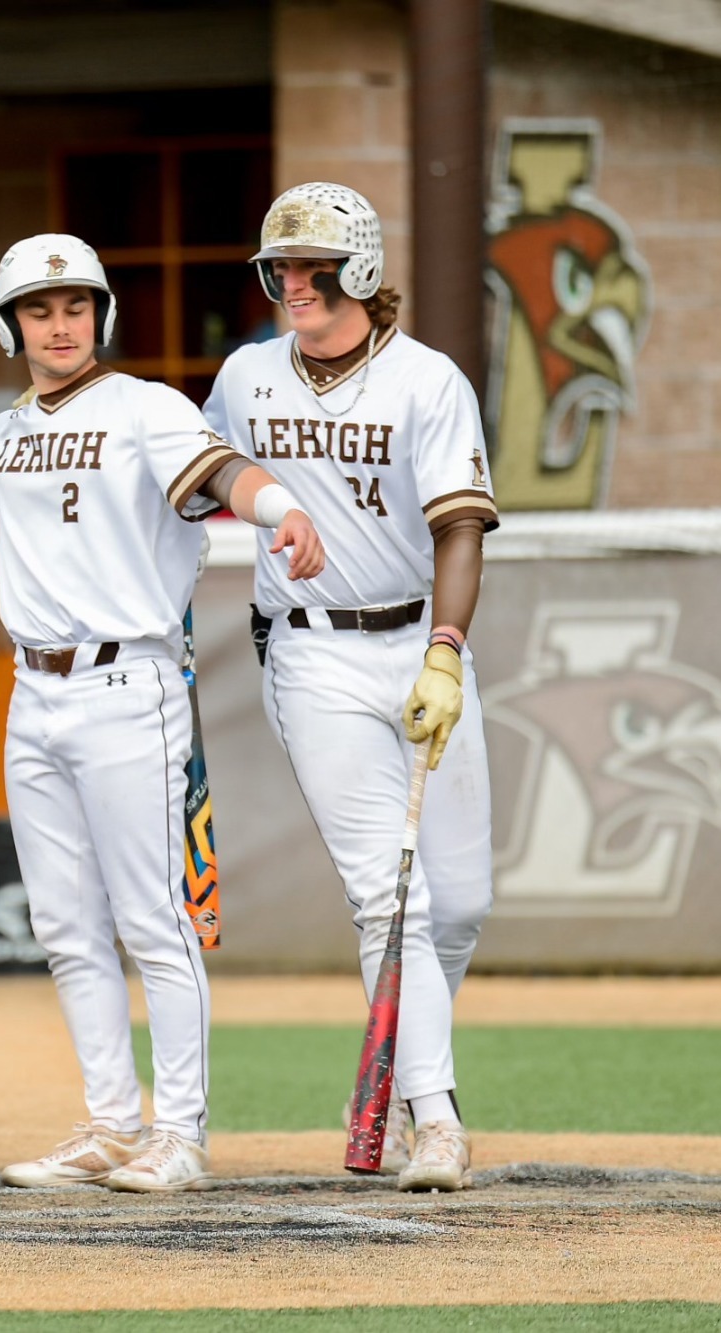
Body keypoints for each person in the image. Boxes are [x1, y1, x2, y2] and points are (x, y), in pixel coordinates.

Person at [0, 235, 325, 1193]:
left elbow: (222, 476)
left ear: (102, 314)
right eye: (40, 309)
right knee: (62, 922)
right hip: (35, 688)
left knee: (151, 917)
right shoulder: (1, 432)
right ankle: (108, 1121)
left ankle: (180, 1131)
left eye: (76, 305)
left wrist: (281, 507)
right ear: (11, 324)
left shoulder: (145, 407)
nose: (60, 323)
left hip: (127, 682)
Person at [203, 182, 497, 1192]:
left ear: (362, 273)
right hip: (310, 649)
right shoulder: (245, 377)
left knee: (456, 903)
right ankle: (437, 1115)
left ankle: (392, 1059)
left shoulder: (424, 380)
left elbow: (458, 524)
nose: (291, 284)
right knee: (386, 897)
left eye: (312, 268)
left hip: (416, 636)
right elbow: (188, 457)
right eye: (277, 267)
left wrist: (447, 650)